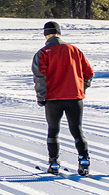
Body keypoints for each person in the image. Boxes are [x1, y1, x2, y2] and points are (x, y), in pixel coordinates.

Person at [32, 21, 95, 176]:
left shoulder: (43, 53)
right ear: (59, 33)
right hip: (75, 97)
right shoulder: (75, 50)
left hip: (53, 99)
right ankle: (84, 160)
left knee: (53, 130)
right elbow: (89, 73)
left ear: (45, 34)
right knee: (77, 130)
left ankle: (53, 163)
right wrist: (81, 88)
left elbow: (40, 77)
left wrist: (41, 97)